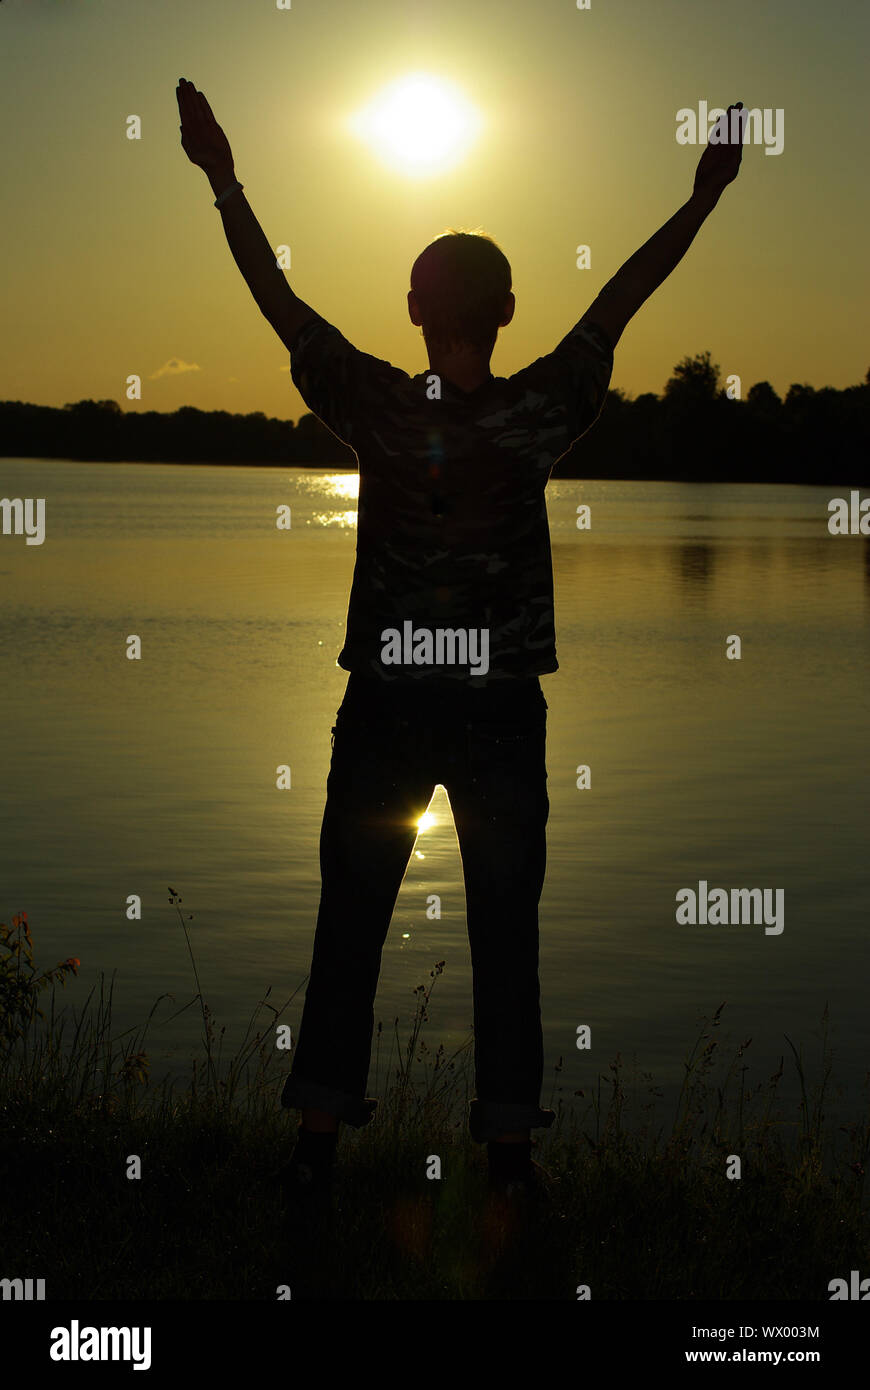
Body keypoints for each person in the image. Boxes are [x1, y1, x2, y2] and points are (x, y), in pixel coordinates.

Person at [177, 78, 744, 1203]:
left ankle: (316, 1150)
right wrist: (703, 200)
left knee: (350, 925)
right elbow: (622, 298)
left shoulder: (382, 408)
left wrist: (223, 178)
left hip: (386, 705)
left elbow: (276, 299)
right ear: (508, 313)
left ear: (413, 307)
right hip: (497, 713)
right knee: (505, 937)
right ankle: (509, 1164)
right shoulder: (538, 412)